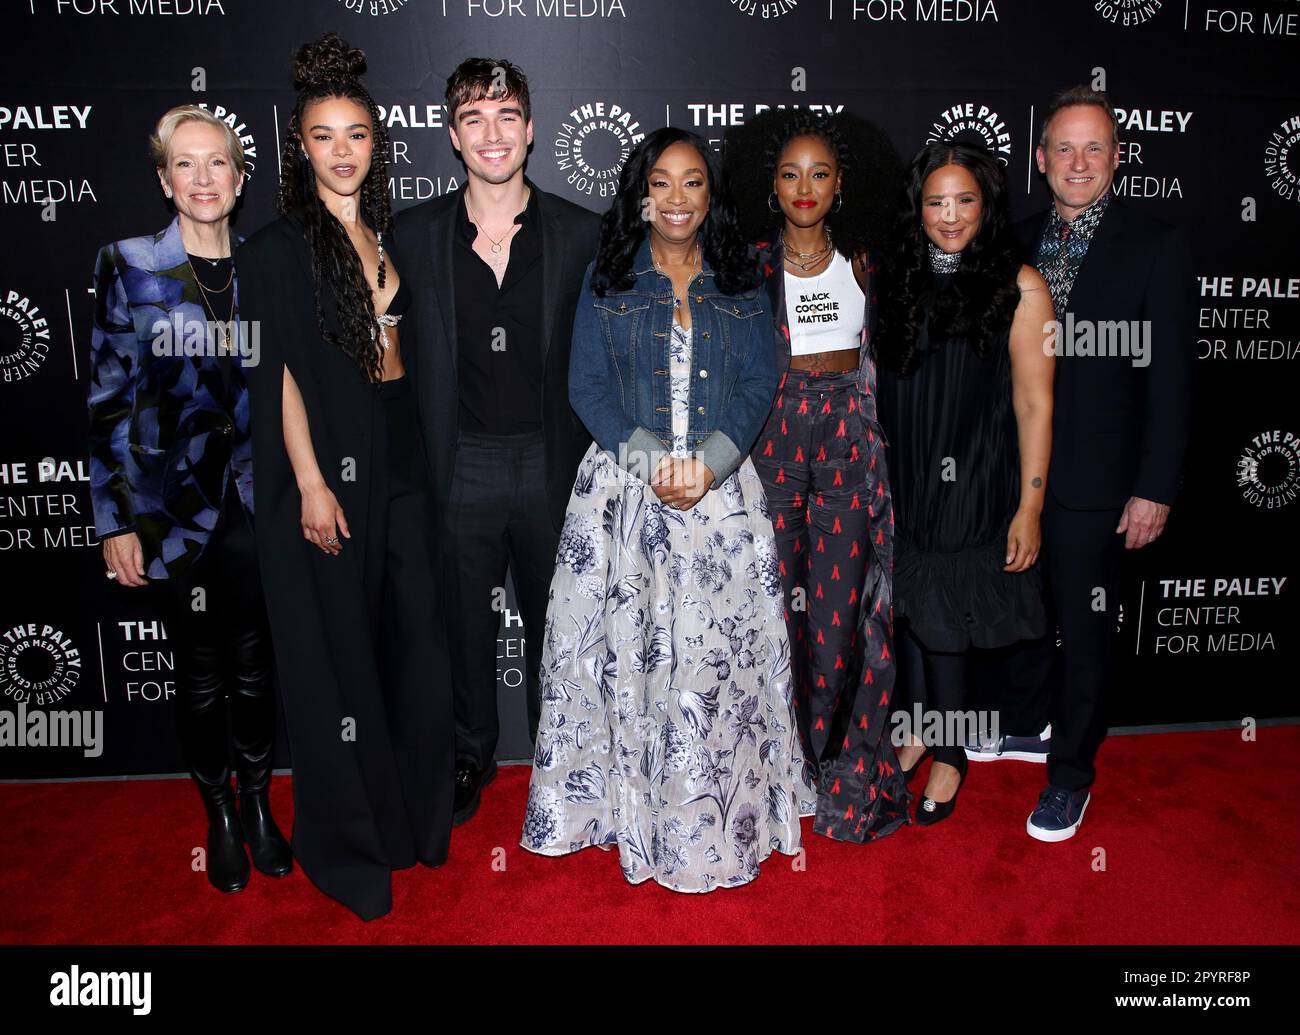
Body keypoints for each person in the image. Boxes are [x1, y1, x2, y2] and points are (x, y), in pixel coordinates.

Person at [520, 128, 815, 891]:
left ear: (711, 195)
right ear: (640, 193)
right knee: (628, 660)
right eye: (661, 182)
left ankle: (714, 816)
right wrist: (656, 465)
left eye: (692, 183)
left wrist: (711, 465)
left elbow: (759, 383)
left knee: (712, 671)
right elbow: (586, 386)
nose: (677, 198)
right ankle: (625, 813)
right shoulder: (607, 276)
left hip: (722, 501)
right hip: (627, 495)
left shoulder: (745, 281)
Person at [236, 33, 454, 920]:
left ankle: (408, 825)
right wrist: (312, 480)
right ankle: (352, 851)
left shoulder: (384, 231)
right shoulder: (278, 249)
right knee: (339, 667)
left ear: (376, 143)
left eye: (356, 134)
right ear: (300, 147)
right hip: (326, 461)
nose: (341, 151)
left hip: (401, 453)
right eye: (323, 136)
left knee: (414, 649)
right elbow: (276, 375)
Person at [87, 104, 291, 895]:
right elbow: (108, 398)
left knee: (256, 669)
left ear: (241, 180)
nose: (203, 178)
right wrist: (114, 522)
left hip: (260, 502)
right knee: (201, 675)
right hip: (174, 514)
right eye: (186, 163)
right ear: (165, 177)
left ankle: (261, 805)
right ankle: (220, 816)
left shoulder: (266, 262)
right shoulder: (132, 263)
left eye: (218, 164)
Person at [396, 58, 600, 825]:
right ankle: (468, 756)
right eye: (474, 118)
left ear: (531, 130)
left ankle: (565, 763)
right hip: (460, 464)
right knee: (462, 627)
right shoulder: (413, 237)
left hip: (554, 462)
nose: (492, 133)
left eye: (506, 115)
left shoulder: (581, 233)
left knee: (562, 629)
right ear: (452, 136)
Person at [990, 86, 1192, 841]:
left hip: (1102, 483)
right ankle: (1032, 724)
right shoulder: (1014, 238)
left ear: (1116, 158)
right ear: (1040, 160)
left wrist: (1154, 488)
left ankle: (1071, 775)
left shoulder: (1155, 244)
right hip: (1017, 475)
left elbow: (1172, 380)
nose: (1079, 163)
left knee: (1087, 625)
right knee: (1028, 616)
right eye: (1064, 149)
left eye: (1095, 148)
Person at [725, 109, 909, 842]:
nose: (806, 187)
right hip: (770, 437)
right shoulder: (750, 264)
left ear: (840, 186)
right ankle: (773, 770)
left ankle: (836, 765)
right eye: (791, 173)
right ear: (771, 185)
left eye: (820, 174)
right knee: (772, 613)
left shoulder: (867, 262)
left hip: (847, 442)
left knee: (839, 618)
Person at [875, 142, 1055, 826]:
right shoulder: (894, 277)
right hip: (906, 472)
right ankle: (921, 726)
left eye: (965, 200)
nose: (949, 216)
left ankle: (951, 753)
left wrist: (1030, 504)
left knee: (946, 614)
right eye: (935, 201)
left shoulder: (1021, 284)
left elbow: (1036, 405)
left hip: (974, 474)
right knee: (915, 610)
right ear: (916, 207)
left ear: (988, 203)